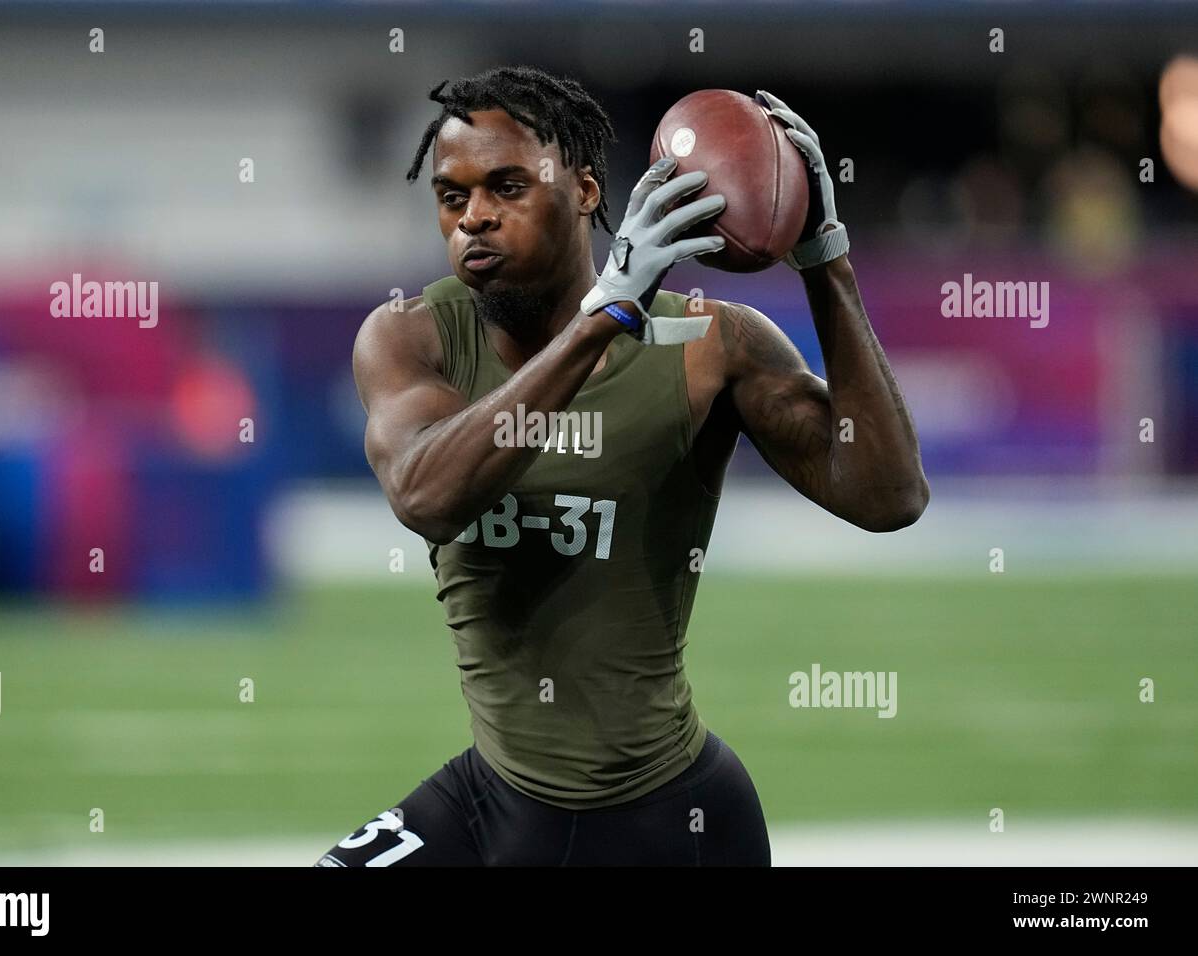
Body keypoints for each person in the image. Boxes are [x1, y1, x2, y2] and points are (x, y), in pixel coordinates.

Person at [322, 65, 928, 866]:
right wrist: (601, 318)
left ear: (582, 191)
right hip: (495, 804)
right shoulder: (410, 338)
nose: (473, 219)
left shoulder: (711, 344)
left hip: (676, 821)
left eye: (506, 187)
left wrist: (826, 260)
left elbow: (888, 496)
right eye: (452, 196)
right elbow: (424, 494)